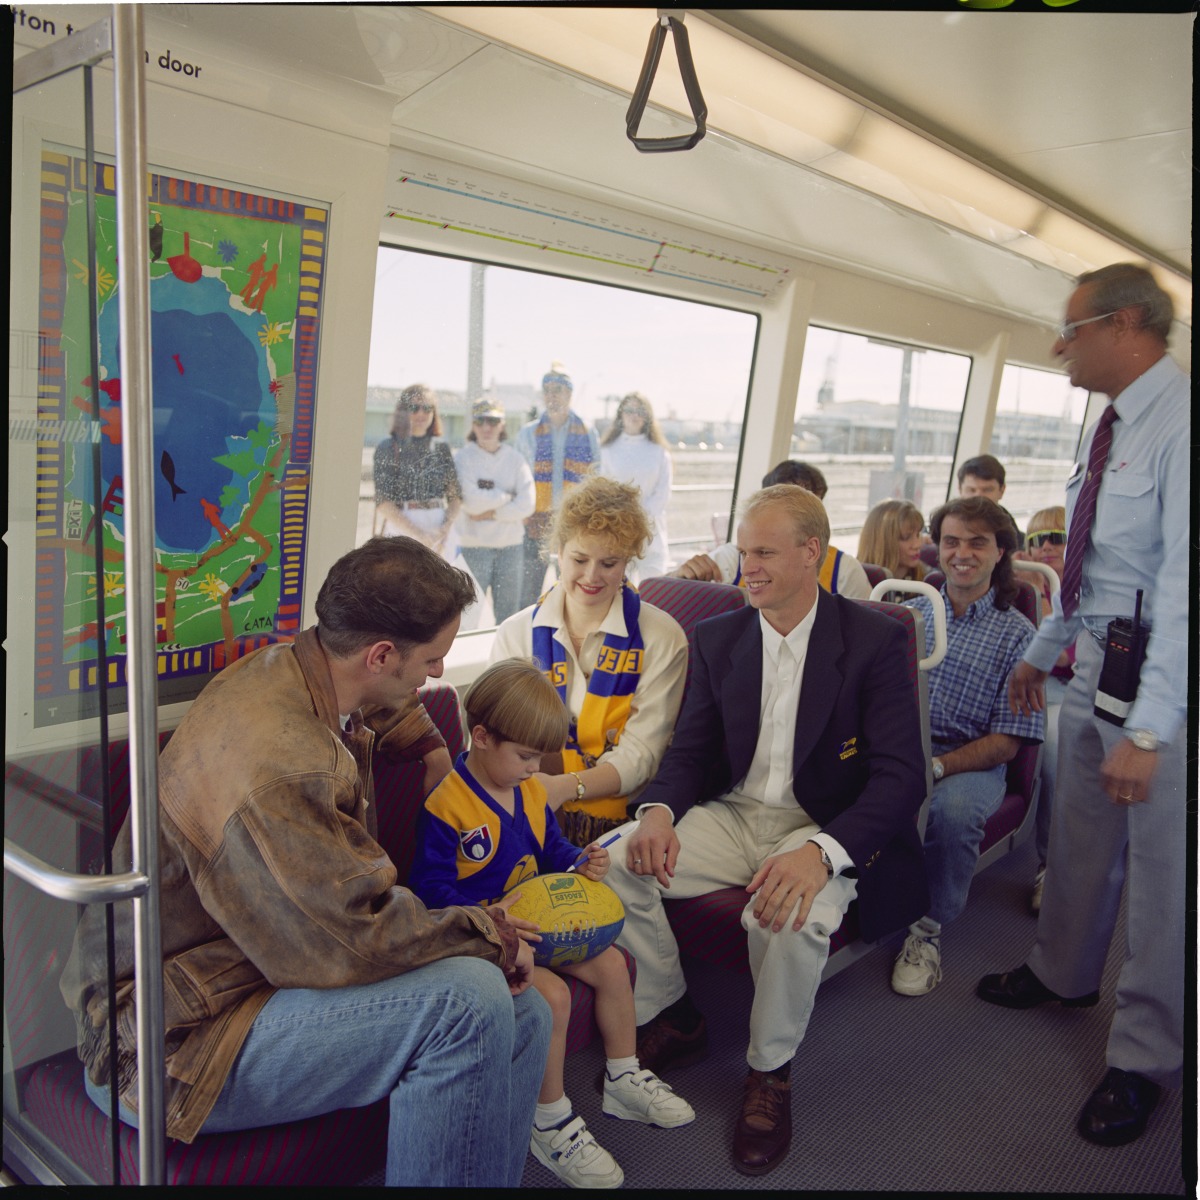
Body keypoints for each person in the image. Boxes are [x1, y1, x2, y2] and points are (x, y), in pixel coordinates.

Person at [58, 537, 551, 1187]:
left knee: (530, 1014)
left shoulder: (292, 667)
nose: (436, 674)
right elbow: (346, 943)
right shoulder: (282, 767)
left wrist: (431, 749)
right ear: (381, 655)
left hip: (239, 976)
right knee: (470, 1002)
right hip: (165, 1042)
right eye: (432, 659)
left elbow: (383, 694)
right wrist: (488, 932)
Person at [605, 484, 928, 1177]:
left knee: (785, 914)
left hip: (821, 822)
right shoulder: (718, 636)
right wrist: (657, 812)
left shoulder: (874, 640)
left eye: (764, 554)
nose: (746, 569)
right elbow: (690, 752)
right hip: (733, 812)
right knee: (612, 863)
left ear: (812, 552)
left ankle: (770, 1071)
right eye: (743, 552)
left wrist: (822, 853)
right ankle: (676, 1012)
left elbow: (901, 778)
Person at [979, 264, 1188, 1149]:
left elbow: (1183, 590)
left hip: (1164, 680)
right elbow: (1091, 563)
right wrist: (1042, 651)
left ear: (1126, 324)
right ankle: (1060, 972)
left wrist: (1150, 727)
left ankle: (1144, 1057)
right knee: (1077, 840)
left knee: (1164, 884)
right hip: (1099, 658)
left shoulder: (1184, 426)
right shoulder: (1108, 426)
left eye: (1073, 329)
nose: (1060, 346)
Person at [411, 659, 695, 1189]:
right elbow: (428, 891)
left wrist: (578, 861)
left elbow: (551, 850)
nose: (532, 768)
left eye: (538, 758)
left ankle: (623, 1076)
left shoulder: (533, 790)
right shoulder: (446, 806)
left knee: (614, 964)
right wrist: (490, 917)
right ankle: (548, 1120)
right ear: (481, 737)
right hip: (485, 937)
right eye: (524, 756)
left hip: (540, 924)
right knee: (553, 998)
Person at [890, 496, 1042, 997]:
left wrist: (936, 766)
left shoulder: (1020, 637)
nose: (961, 554)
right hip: (902, 746)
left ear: (1001, 552)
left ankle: (926, 930)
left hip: (971, 760)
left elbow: (1007, 743)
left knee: (952, 815)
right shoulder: (908, 615)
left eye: (977, 543)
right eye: (951, 541)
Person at [491, 475, 688, 849]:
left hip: (622, 818)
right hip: (523, 802)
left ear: (628, 561)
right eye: (579, 559)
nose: (592, 576)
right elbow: (494, 739)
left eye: (609, 563)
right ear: (559, 551)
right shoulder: (515, 633)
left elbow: (642, 755)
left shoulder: (663, 638)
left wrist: (563, 788)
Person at [670, 460, 873, 600]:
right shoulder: (732, 559)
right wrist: (681, 576)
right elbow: (665, 593)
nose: (748, 568)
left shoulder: (844, 570)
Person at [1017, 505, 1073, 912]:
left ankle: (1050, 866)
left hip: (1063, 690)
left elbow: (1065, 657)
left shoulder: (1083, 592)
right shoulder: (1017, 585)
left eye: (1058, 538)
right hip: (1017, 685)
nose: (1047, 547)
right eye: (1038, 540)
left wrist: (1043, 600)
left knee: (1054, 746)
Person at [516, 363, 601, 608]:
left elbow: (595, 479)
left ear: (569, 393)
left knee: (573, 591)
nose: (552, 395)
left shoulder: (588, 432)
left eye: (558, 390)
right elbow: (518, 478)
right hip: (535, 522)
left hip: (573, 523)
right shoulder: (527, 433)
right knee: (528, 593)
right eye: (547, 390)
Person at [454, 396, 536, 625]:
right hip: (474, 547)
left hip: (510, 547)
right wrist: (508, 497)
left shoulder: (516, 460)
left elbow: (528, 504)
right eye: (480, 421)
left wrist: (491, 513)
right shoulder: (463, 458)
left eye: (493, 421)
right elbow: (470, 501)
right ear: (473, 425)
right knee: (467, 618)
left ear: (502, 424)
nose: (486, 427)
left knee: (509, 619)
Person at [373, 384, 462, 560]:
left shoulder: (442, 448)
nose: (421, 413)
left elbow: (455, 497)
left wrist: (445, 529)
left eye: (427, 408)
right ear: (403, 411)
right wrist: (419, 536)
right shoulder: (388, 447)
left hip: (439, 530)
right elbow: (383, 501)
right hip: (403, 527)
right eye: (414, 408)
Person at [599, 392, 673, 580]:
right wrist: (624, 519)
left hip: (652, 534)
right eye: (629, 410)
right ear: (620, 414)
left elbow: (662, 494)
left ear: (647, 416)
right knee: (620, 589)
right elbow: (604, 491)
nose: (634, 415)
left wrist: (640, 519)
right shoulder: (608, 450)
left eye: (640, 411)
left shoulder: (659, 451)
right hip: (618, 531)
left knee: (655, 588)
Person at [957, 454, 1025, 549]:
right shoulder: (942, 529)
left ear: (1002, 491)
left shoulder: (1021, 543)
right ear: (960, 490)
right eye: (971, 490)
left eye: (987, 490)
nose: (979, 497)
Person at [856, 498, 927, 585]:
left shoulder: (929, 581)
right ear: (882, 543)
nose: (917, 544)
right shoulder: (855, 580)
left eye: (918, 534)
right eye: (906, 537)